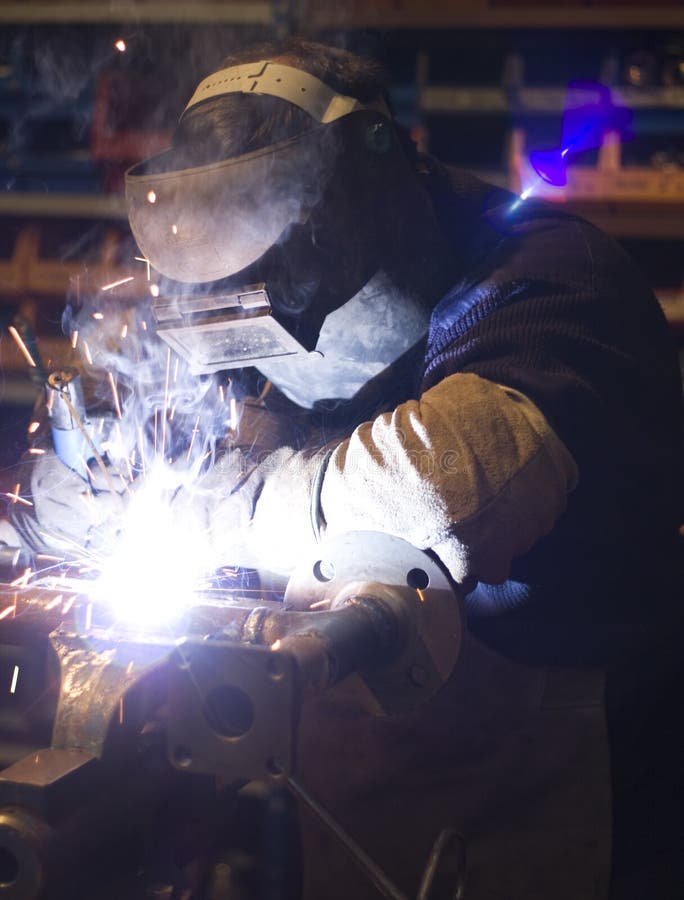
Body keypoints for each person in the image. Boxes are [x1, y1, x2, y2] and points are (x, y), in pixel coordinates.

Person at [3, 37, 683, 899]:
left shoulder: (547, 277)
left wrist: (201, 513)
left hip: (571, 779)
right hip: (352, 758)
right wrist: (82, 480)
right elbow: (146, 426)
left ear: (376, 182)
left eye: (281, 268)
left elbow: (448, 482)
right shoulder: (230, 286)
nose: (263, 308)